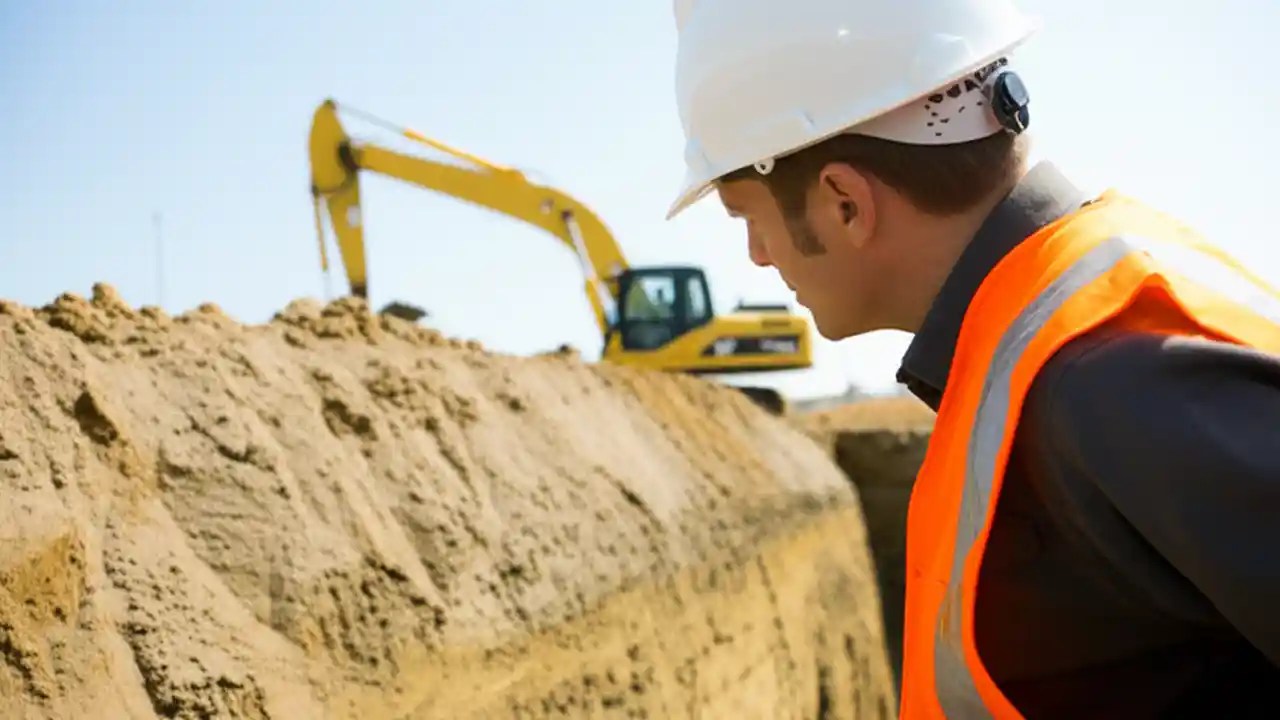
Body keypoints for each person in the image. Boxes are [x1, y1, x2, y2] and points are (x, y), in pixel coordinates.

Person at [664, 0, 1280, 717]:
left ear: (843, 203)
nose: (758, 255)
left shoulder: (1106, 378)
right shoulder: (1053, 347)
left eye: (747, 218)